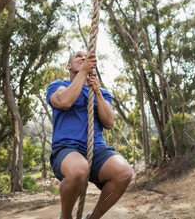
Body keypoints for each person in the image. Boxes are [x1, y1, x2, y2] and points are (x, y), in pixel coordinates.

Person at [47, 51, 132, 219]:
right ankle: (65, 217)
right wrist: (84, 72)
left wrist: (98, 92)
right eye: (78, 56)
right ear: (69, 66)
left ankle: (93, 218)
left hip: (96, 149)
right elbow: (64, 102)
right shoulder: (58, 86)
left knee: (124, 173)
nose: (83, 58)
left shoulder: (102, 93)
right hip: (66, 149)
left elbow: (109, 123)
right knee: (79, 169)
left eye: (86, 57)